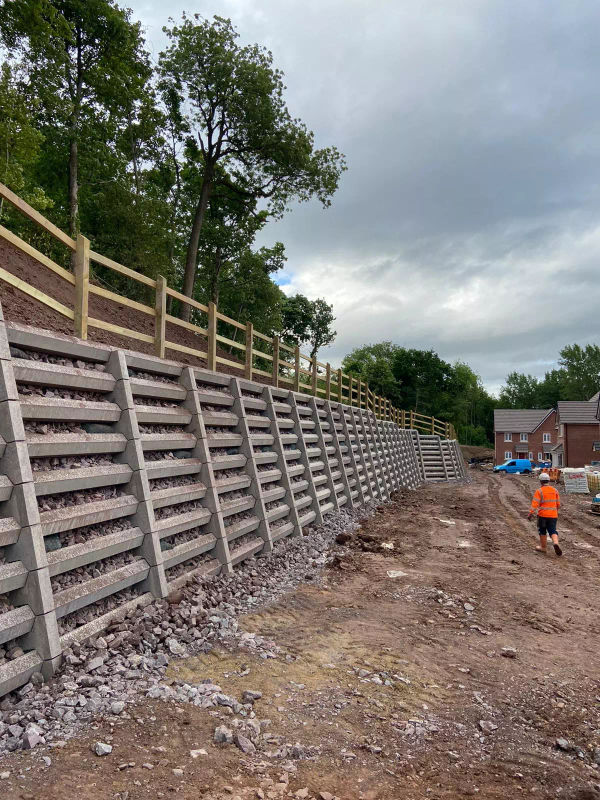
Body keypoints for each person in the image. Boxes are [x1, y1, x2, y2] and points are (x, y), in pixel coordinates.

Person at [527, 472, 562, 556]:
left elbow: (535, 504)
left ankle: (543, 548)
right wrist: (555, 512)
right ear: (548, 480)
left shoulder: (539, 491)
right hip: (553, 515)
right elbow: (558, 504)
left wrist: (530, 513)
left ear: (540, 481)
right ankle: (556, 543)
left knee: (542, 531)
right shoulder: (555, 490)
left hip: (542, 515)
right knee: (552, 530)